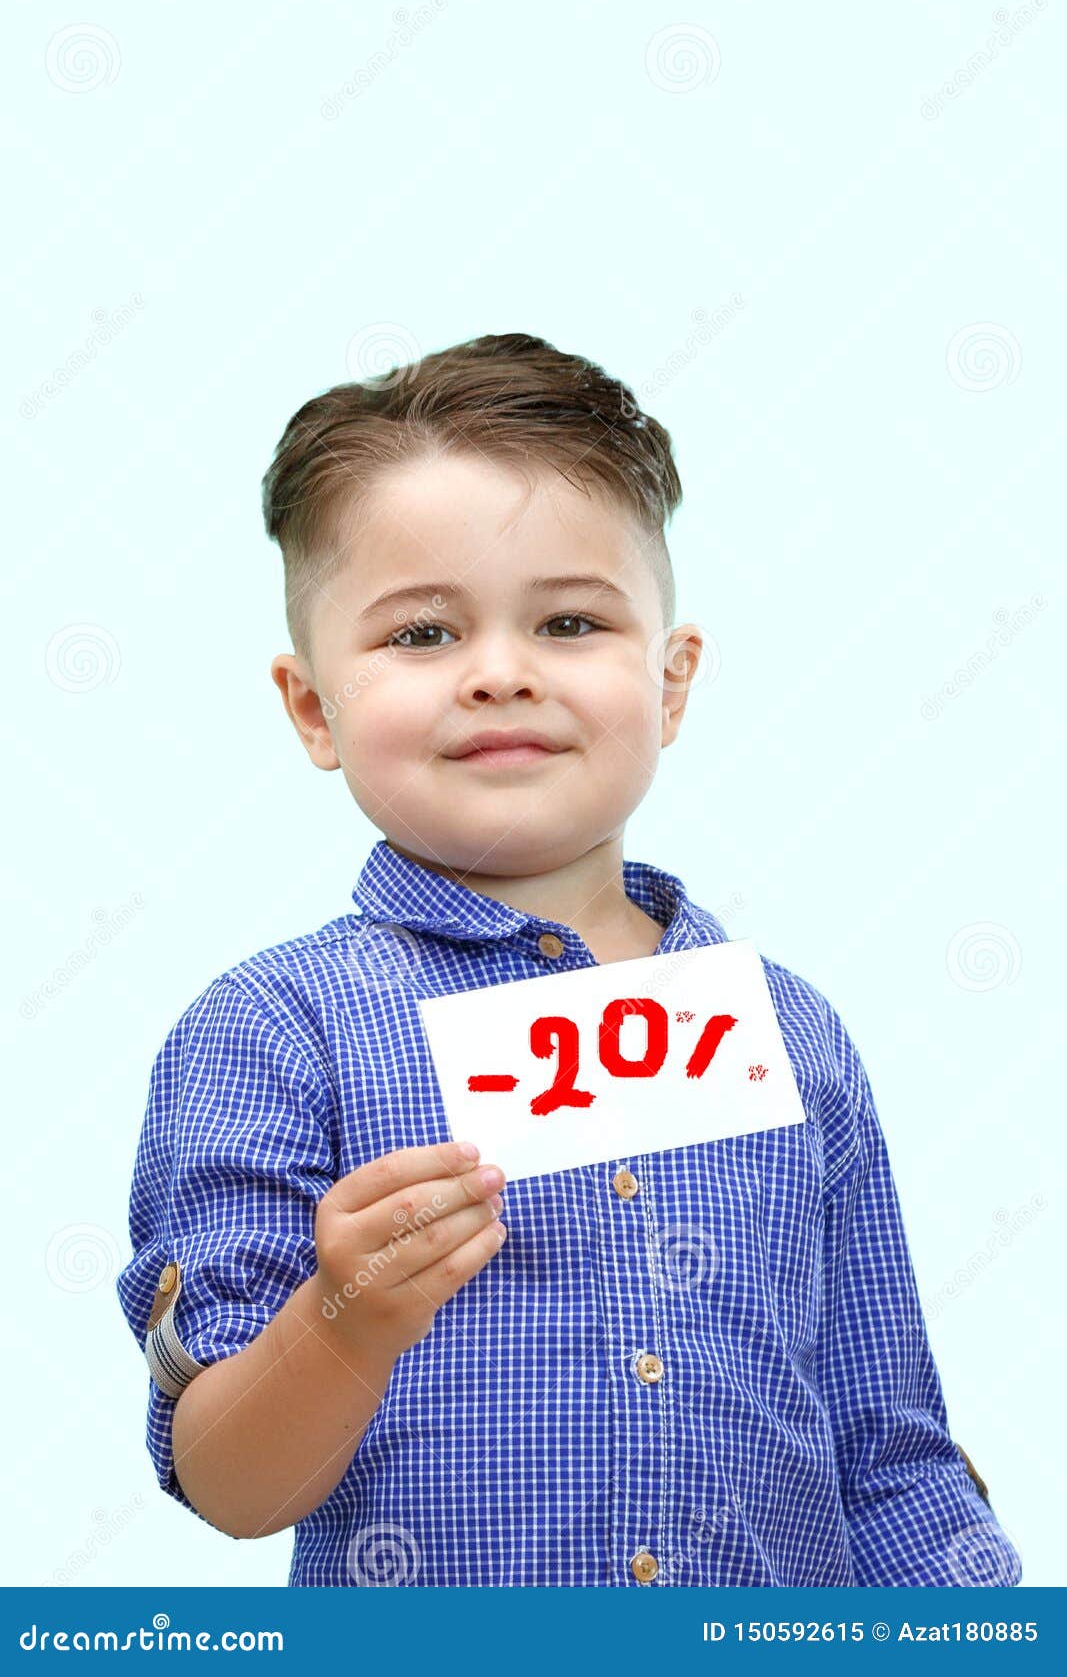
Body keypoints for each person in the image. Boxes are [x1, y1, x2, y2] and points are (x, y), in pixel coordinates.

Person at [116, 333, 1020, 1588]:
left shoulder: (788, 1031)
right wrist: (342, 1319)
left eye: (569, 621)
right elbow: (227, 1483)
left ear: (670, 681)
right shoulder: (273, 1030)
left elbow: (888, 1452)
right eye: (423, 633)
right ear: (313, 707)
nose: (500, 674)